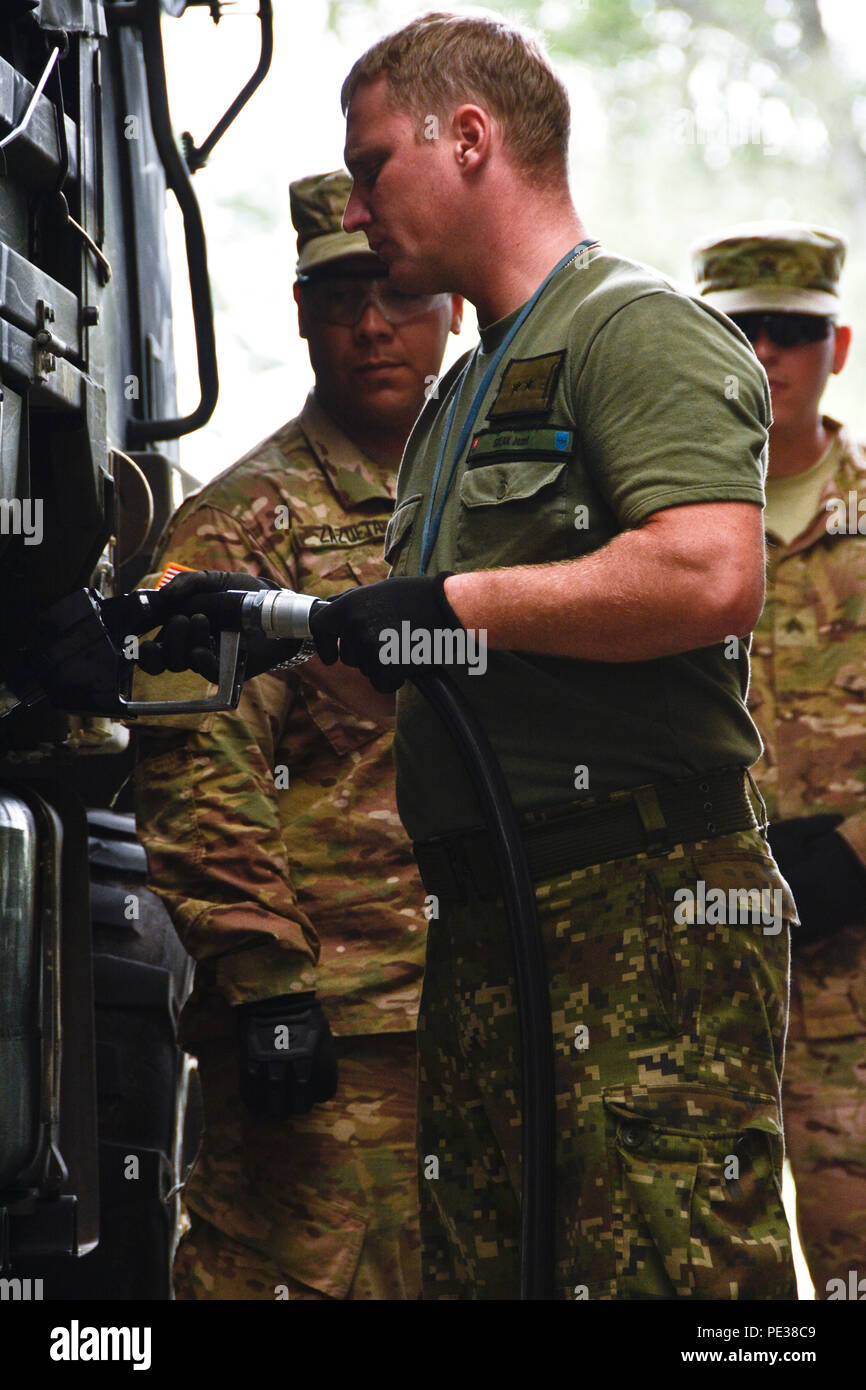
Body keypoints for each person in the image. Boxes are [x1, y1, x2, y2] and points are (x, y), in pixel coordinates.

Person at [143, 13, 797, 1301]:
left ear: (470, 138)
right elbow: (432, 656)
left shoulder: (631, 331)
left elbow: (709, 573)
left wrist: (454, 597)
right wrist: (269, 625)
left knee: (666, 1277)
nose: (360, 197)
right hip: (495, 922)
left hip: (634, 912)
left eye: (375, 161)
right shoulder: (466, 397)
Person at [132, 169, 463, 1300]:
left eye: (394, 294)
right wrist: (266, 981)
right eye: (337, 299)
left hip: (486, 1007)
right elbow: (196, 767)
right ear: (300, 314)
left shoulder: (501, 504)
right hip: (329, 1022)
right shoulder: (235, 523)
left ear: (452, 304)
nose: (370, 324)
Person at [693, 221, 866, 1300]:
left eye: (789, 332)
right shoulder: (660, 533)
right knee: (707, 1273)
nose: (763, 356)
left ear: (833, 347)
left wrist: (854, 851)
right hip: (701, 972)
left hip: (856, 979)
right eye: (738, 329)